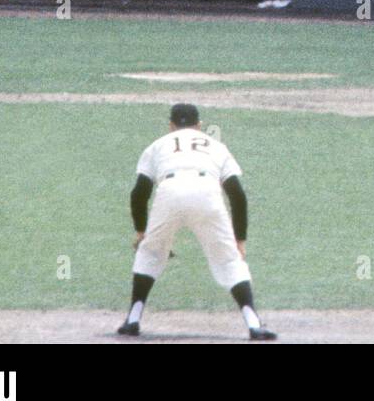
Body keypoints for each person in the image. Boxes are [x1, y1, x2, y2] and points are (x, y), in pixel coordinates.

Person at [117, 103, 276, 340]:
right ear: (199, 126)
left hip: (169, 191)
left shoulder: (157, 145)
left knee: (149, 254)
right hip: (207, 192)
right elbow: (237, 195)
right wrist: (239, 240)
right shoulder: (217, 146)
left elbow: (139, 193)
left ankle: (133, 320)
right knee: (229, 260)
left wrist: (141, 232)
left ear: (171, 126)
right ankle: (253, 324)